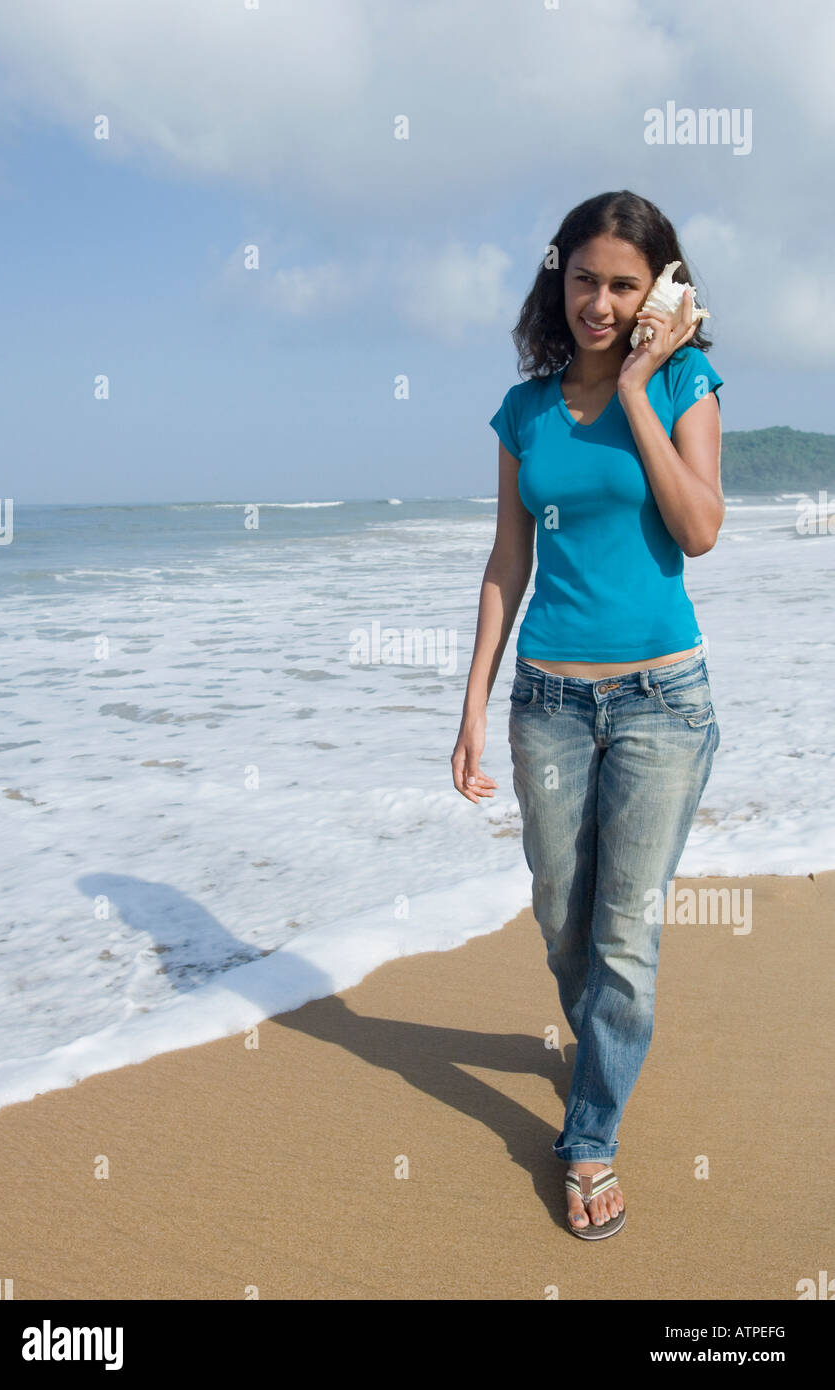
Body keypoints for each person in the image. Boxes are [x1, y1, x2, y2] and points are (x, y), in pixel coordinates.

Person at [451, 189, 724, 1240]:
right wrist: (471, 698)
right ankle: (599, 1044)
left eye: (623, 284)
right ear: (554, 278)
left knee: (621, 934)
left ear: (658, 288)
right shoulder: (524, 411)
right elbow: (506, 561)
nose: (598, 302)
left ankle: (590, 1133)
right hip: (548, 704)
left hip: (661, 702)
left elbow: (697, 529)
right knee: (562, 916)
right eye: (583, 280)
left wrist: (646, 384)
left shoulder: (687, 381)